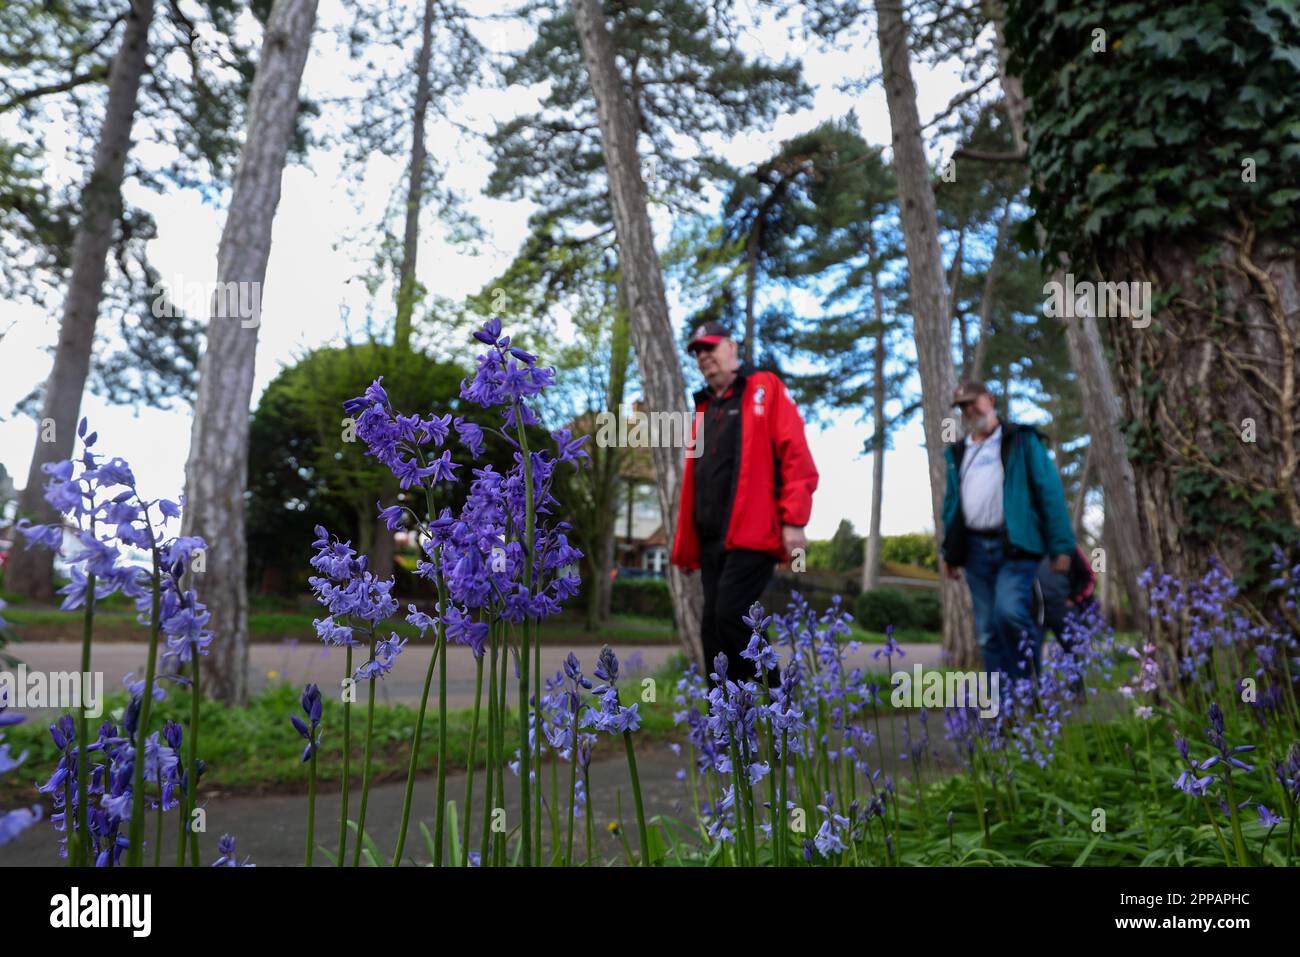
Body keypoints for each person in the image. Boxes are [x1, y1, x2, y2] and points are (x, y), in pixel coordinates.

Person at [670, 321, 819, 686]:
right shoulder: (705, 406)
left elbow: (796, 454)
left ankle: (774, 711)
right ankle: (727, 724)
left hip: (754, 533)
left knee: (734, 615)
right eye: (697, 352)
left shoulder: (764, 388)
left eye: (710, 347)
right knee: (711, 629)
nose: (704, 356)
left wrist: (794, 520)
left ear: (731, 348)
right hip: (711, 538)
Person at [939, 381, 1076, 679]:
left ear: (990, 399)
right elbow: (951, 504)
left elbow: (1049, 491)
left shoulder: (1021, 441)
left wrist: (1061, 546)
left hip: (1015, 546)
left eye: (974, 402)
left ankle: (1029, 693)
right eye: (962, 406)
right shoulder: (959, 453)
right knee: (987, 631)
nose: (969, 410)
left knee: (1010, 614)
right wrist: (949, 552)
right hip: (975, 550)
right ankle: (1002, 708)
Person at [1032, 543, 1098, 653]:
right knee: (1031, 654)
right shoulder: (1031, 543)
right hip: (1037, 611)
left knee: (1075, 651)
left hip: (1064, 609)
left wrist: (1074, 598)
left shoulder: (1068, 545)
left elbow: (1090, 576)